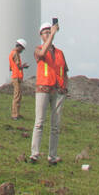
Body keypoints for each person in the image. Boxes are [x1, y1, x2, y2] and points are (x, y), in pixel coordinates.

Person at [30, 19, 68, 165]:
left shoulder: (60, 53)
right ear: (41, 35)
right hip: (43, 89)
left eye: (49, 32)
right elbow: (43, 53)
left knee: (55, 125)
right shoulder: (38, 49)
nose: (47, 34)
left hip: (58, 91)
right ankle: (35, 154)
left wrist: (65, 87)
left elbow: (65, 71)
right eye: (45, 33)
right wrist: (52, 35)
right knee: (39, 122)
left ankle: (52, 156)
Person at [9, 38, 28, 120]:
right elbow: (18, 66)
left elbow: (11, 68)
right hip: (16, 77)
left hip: (15, 76)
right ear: (19, 46)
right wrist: (24, 66)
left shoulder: (11, 53)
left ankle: (16, 113)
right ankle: (14, 115)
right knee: (17, 96)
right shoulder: (16, 53)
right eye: (22, 49)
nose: (22, 51)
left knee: (18, 96)